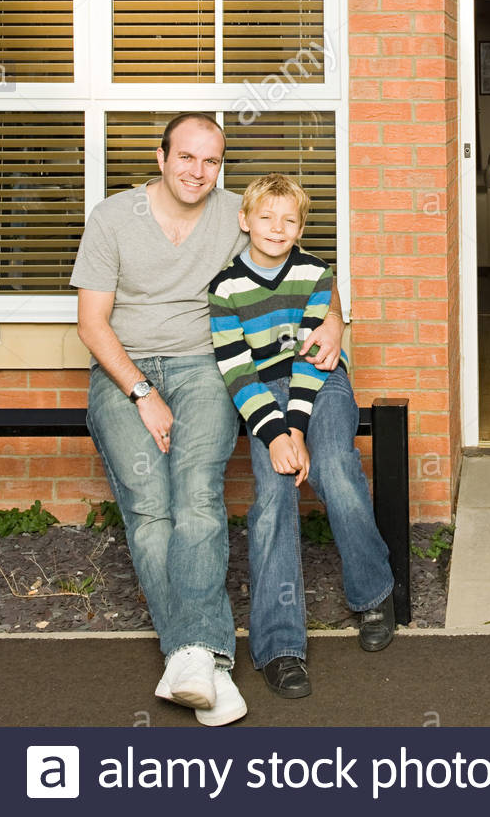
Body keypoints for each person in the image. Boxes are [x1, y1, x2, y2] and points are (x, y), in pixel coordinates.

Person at [71, 113, 344, 725]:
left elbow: (301, 269)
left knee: (196, 494)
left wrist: (334, 321)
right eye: (187, 157)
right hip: (124, 372)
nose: (198, 171)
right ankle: (202, 659)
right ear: (161, 157)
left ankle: (196, 656)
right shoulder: (114, 218)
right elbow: (91, 324)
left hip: (204, 367)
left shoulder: (233, 213)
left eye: (211, 161)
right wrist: (141, 389)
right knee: (149, 509)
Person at [208, 173, 395, 700]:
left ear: (301, 227)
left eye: (289, 220)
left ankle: (373, 593)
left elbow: (316, 357)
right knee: (275, 491)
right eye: (265, 218)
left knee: (333, 464)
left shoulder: (315, 273)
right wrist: (276, 434)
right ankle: (279, 644)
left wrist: (298, 427)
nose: (276, 228)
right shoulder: (224, 289)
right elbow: (237, 372)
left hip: (320, 379)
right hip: (261, 390)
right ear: (245, 221)